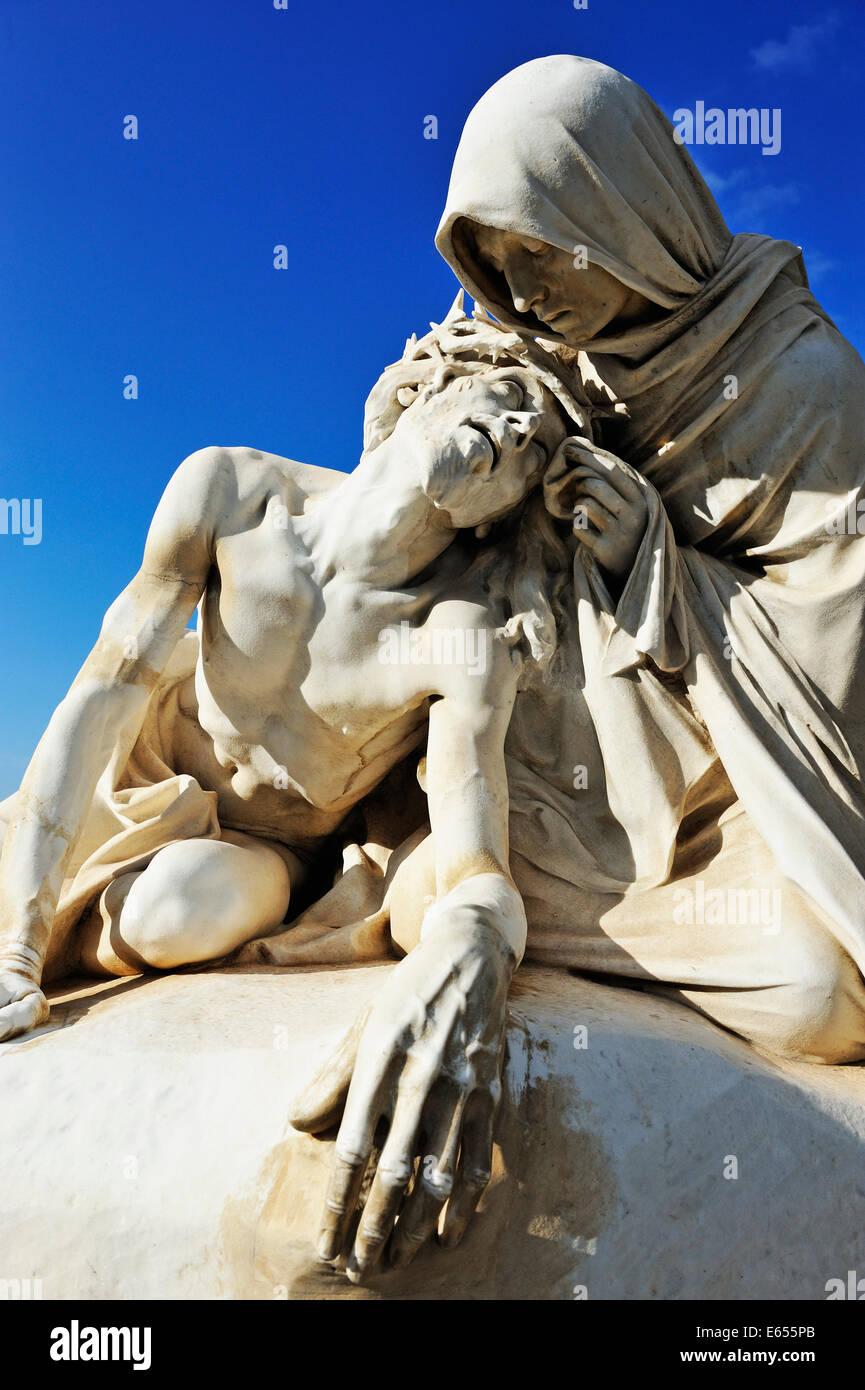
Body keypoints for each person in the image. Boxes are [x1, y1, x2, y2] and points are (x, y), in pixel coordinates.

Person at [0, 303, 591, 1279]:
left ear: (506, 511)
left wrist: (475, 938)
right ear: (427, 386)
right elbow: (99, 697)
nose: (520, 432)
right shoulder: (230, 490)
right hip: (137, 782)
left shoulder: (456, 638)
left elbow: (470, 848)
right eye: (510, 398)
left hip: (266, 853)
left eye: (536, 452)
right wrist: (18, 944)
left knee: (176, 912)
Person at [432, 54, 865, 1067]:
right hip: (544, 751)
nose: (523, 295)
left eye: (540, 251)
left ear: (621, 214)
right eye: (499, 265)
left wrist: (655, 568)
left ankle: (464, 894)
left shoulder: (804, 386)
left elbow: (841, 658)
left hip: (744, 778)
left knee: (820, 997)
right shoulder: (538, 366)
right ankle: (460, 876)